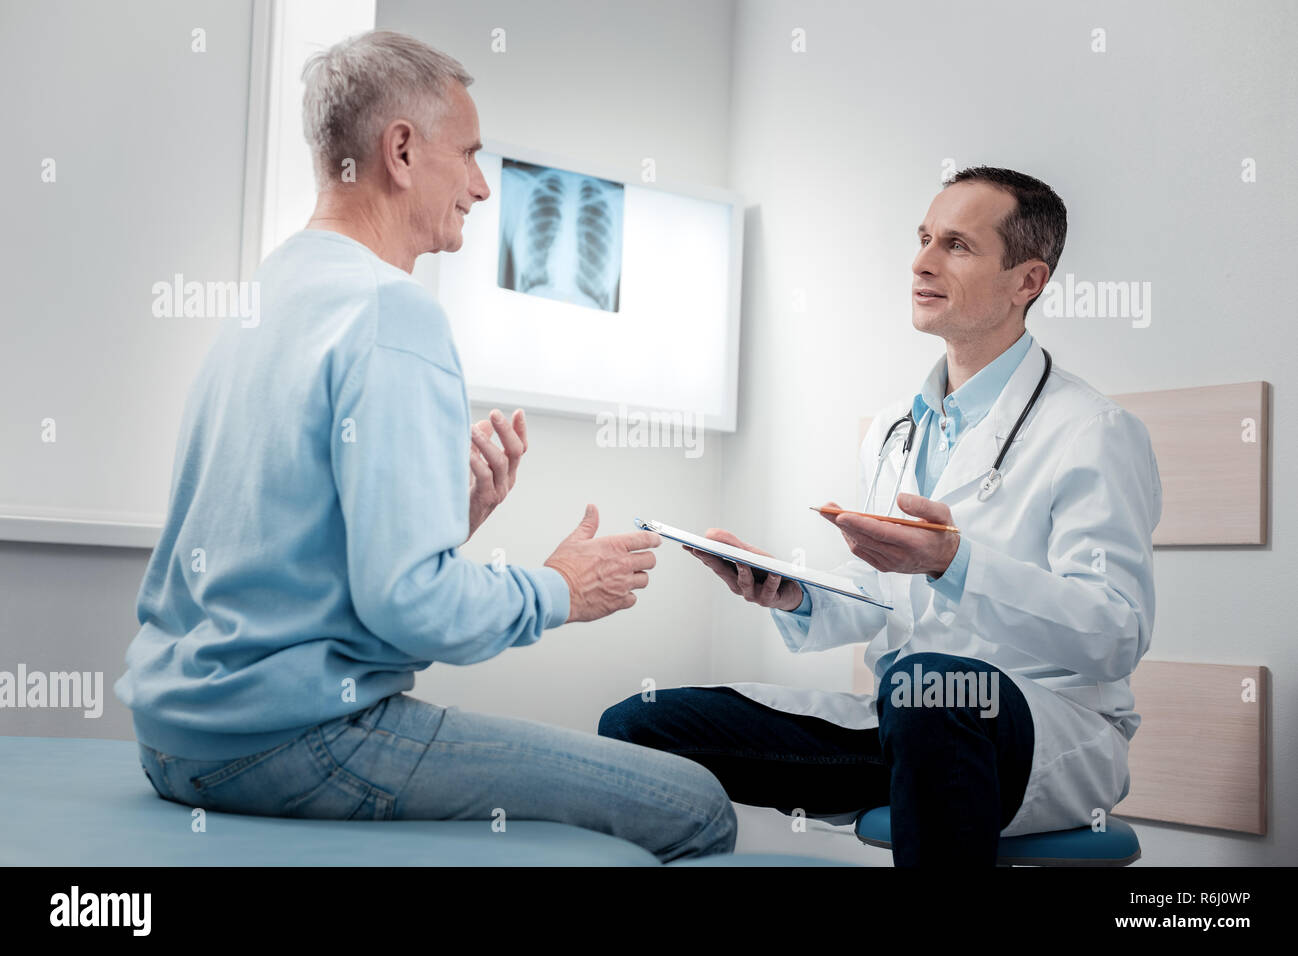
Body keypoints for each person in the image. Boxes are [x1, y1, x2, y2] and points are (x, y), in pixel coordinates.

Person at [113, 30, 735, 863]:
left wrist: (451, 515)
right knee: (697, 805)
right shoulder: (392, 314)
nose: (482, 186)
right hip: (293, 744)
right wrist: (558, 588)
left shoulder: (270, 294)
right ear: (400, 151)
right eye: (471, 154)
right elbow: (406, 609)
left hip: (175, 740)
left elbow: (296, 572)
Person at [600, 167, 1162, 867]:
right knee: (639, 723)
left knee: (927, 684)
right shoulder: (898, 429)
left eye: (956, 245)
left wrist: (955, 565)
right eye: (924, 238)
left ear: (1028, 281)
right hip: (907, 721)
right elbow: (889, 598)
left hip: (1048, 734)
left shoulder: (1094, 431)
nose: (922, 262)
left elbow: (1114, 632)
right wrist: (797, 590)